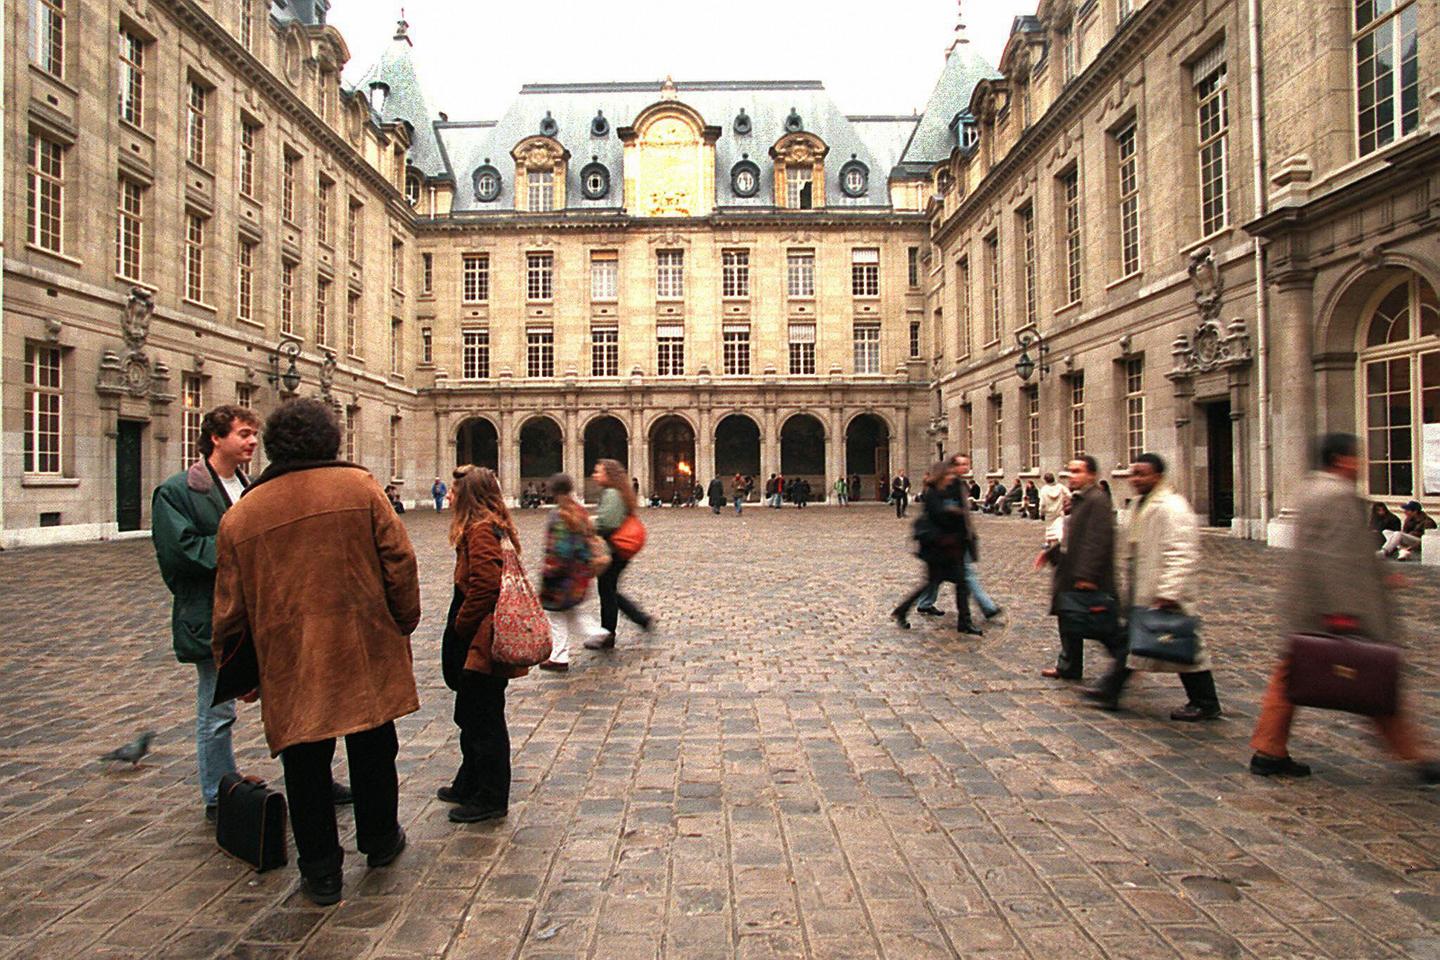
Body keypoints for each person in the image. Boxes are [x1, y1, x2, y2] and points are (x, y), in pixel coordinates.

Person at [212, 399, 416, 905]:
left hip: (290, 657)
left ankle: (322, 870)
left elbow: (229, 610)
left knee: (305, 766)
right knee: (373, 748)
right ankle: (380, 838)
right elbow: (400, 561)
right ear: (331, 441)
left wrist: (239, 671)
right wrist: (402, 620)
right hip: (364, 643)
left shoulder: (243, 514)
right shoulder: (360, 488)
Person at [1249, 434, 1439, 782]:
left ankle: (1270, 750)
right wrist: (1343, 612)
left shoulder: (1310, 490)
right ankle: (1414, 756)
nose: (1360, 464)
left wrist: (1381, 575)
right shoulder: (1337, 496)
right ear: (1341, 460)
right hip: (1335, 607)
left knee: (1296, 677)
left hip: (1311, 605)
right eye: (1356, 457)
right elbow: (1335, 557)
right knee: (1373, 677)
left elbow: (1345, 549)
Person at [152, 405, 265, 822]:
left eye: (254, 434)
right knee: (217, 708)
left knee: (284, 698)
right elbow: (178, 551)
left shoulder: (249, 486)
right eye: (244, 434)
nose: (252, 441)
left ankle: (307, 777)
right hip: (213, 614)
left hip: (256, 611)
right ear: (216, 438)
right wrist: (238, 554)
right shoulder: (179, 491)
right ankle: (218, 789)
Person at [1081, 453, 1222, 720]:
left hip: (1164, 591)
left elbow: (1182, 552)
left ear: (1157, 476)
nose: (1135, 479)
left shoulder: (1173, 507)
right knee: (1138, 642)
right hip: (1144, 588)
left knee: (1184, 646)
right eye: (1133, 473)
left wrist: (1169, 591)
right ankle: (1110, 690)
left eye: (1141, 474)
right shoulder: (1140, 504)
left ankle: (1205, 702)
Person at [439, 465, 526, 826]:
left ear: (468, 496)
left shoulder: (479, 531)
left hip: (479, 636)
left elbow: (486, 586)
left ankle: (491, 796)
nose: (448, 493)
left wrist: (461, 626)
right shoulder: (486, 526)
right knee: (472, 711)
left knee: (483, 716)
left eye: (454, 489)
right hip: (478, 632)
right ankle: (469, 782)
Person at [1036, 455, 1122, 681]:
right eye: (1070, 471)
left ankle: (1125, 662)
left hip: (1087, 576)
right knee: (1068, 619)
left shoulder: (1098, 500)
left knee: (1104, 628)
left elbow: (1098, 540)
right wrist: (1050, 554)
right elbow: (1069, 537)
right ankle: (1068, 666)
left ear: (1091, 475)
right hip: (1070, 571)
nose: (1071, 476)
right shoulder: (1079, 499)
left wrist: (1086, 575)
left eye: (1077, 471)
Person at [893, 461, 978, 635]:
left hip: (948, 548)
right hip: (939, 549)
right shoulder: (932, 493)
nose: (950, 478)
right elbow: (939, 517)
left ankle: (902, 610)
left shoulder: (944, 491)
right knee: (954, 583)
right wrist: (954, 511)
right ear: (940, 476)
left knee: (951, 583)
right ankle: (964, 622)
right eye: (947, 475)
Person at [537, 473, 607, 673]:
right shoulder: (580, 511)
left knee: (556, 615)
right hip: (579, 573)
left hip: (561, 575)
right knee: (570, 612)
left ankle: (559, 658)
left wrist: (549, 571)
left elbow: (560, 550)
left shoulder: (559, 515)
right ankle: (598, 632)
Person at [587, 459, 653, 649]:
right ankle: (636, 620)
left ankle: (609, 633)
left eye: (598, 472)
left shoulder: (612, 493)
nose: (595, 475)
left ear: (609, 474)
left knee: (607, 590)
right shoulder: (617, 492)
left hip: (614, 548)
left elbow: (608, 522)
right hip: (618, 549)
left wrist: (587, 524)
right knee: (609, 589)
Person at [1038, 472, 1070, 545]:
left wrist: (1041, 513)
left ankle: (1048, 542)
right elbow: (1069, 494)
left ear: (1045, 480)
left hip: (1049, 512)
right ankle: (1060, 539)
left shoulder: (1044, 490)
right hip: (1059, 510)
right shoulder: (1060, 487)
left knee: (1049, 527)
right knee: (1060, 525)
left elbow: (1042, 504)